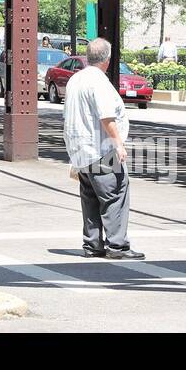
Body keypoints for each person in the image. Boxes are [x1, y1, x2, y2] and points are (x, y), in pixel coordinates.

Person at [61, 38, 143, 260]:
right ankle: (117, 246)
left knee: (90, 197)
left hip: (80, 151)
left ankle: (92, 244)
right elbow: (106, 115)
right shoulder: (99, 82)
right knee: (114, 195)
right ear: (107, 59)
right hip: (100, 150)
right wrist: (118, 143)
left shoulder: (75, 80)